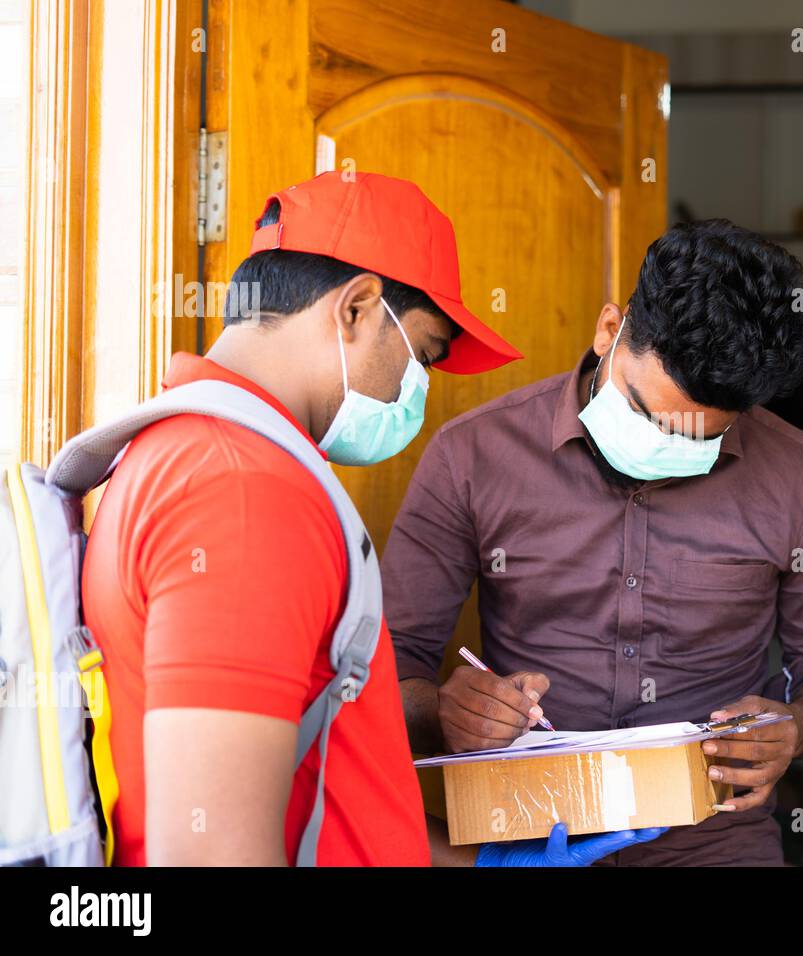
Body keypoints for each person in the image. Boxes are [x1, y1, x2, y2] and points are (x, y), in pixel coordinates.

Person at [81, 170, 662, 865]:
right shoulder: (241, 494)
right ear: (357, 307)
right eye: (421, 354)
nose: (415, 390)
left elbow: (319, 799)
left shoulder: (193, 452)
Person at [383, 218, 803, 866]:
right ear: (609, 331)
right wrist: (445, 709)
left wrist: (794, 729)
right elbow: (386, 663)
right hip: (520, 839)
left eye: (697, 439)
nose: (664, 451)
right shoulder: (473, 457)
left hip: (714, 845)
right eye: (645, 415)